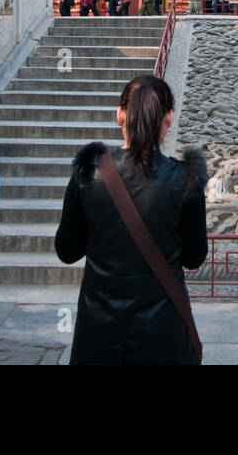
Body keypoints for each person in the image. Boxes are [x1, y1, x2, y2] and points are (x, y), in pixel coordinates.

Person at [54, 75, 208, 364]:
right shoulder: (185, 180)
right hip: (163, 332)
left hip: (99, 329)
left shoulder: (88, 173)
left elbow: (67, 250)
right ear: (169, 118)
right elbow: (194, 257)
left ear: (120, 115)